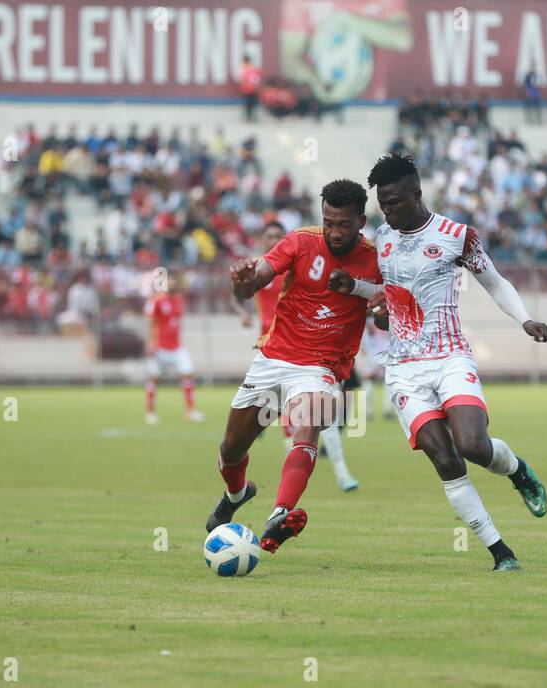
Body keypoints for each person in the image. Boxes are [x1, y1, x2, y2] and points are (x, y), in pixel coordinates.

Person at [353, 152, 547, 572]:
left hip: (450, 358)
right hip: (403, 370)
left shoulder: (456, 235)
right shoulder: (382, 238)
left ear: (416, 193)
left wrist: (525, 318)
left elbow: (494, 282)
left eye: (394, 201)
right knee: (446, 460)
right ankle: (501, 553)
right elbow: (386, 294)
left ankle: (516, 470)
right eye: (382, 203)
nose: (388, 210)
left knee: (474, 447)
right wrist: (365, 297)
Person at [206, 179, 381, 554]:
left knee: (306, 430)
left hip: (321, 368)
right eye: (328, 222)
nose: (334, 232)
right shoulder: (301, 241)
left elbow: (388, 313)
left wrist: (364, 294)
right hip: (272, 358)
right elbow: (253, 284)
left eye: (343, 225)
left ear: (361, 221)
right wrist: (240, 283)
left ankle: (280, 513)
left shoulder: (375, 258)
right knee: (231, 449)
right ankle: (236, 494)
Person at [232, 219, 360, 490]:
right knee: (284, 420)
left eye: (279, 235)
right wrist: (243, 313)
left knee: (319, 415)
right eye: (270, 236)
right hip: (271, 352)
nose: (274, 240)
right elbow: (239, 292)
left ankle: (341, 471)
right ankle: (292, 482)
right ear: (262, 239)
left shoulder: (296, 261)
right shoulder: (260, 267)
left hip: (308, 352)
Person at [144, 276, 204, 425]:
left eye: (174, 283)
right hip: (159, 347)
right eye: (169, 283)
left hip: (177, 346)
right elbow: (150, 323)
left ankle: (190, 412)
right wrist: (151, 343)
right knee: (154, 378)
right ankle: (151, 413)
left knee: (188, 374)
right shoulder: (157, 301)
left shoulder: (179, 301)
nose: (172, 286)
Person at [239, 56, 262, 123]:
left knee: (249, 103)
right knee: (250, 103)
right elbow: (257, 79)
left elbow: (243, 79)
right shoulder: (251, 68)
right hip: (250, 89)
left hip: (249, 89)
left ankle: (250, 117)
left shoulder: (246, 68)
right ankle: (250, 117)